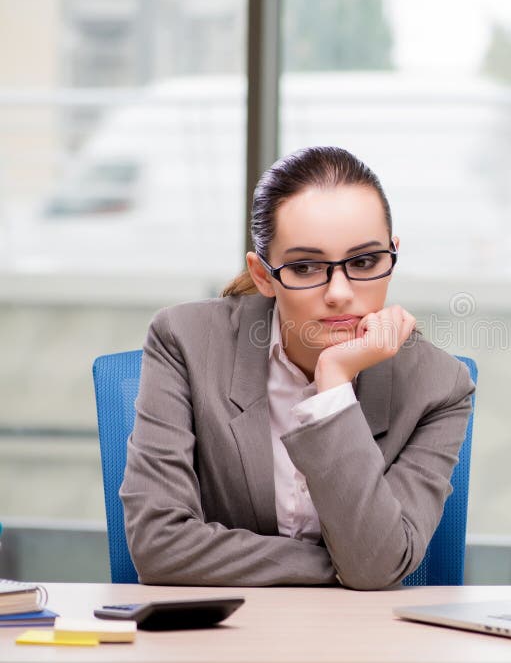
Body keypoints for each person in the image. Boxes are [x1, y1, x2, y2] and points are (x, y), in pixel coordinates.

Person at [120, 146, 475, 589]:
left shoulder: (439, 386)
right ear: (263, 274)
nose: (340, 292)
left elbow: (376, 567)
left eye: (365, 261)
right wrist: (339, 566)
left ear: (392, 255)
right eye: (306, 267)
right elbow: (158, 545)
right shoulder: (185, 340)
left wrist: (333, 386)